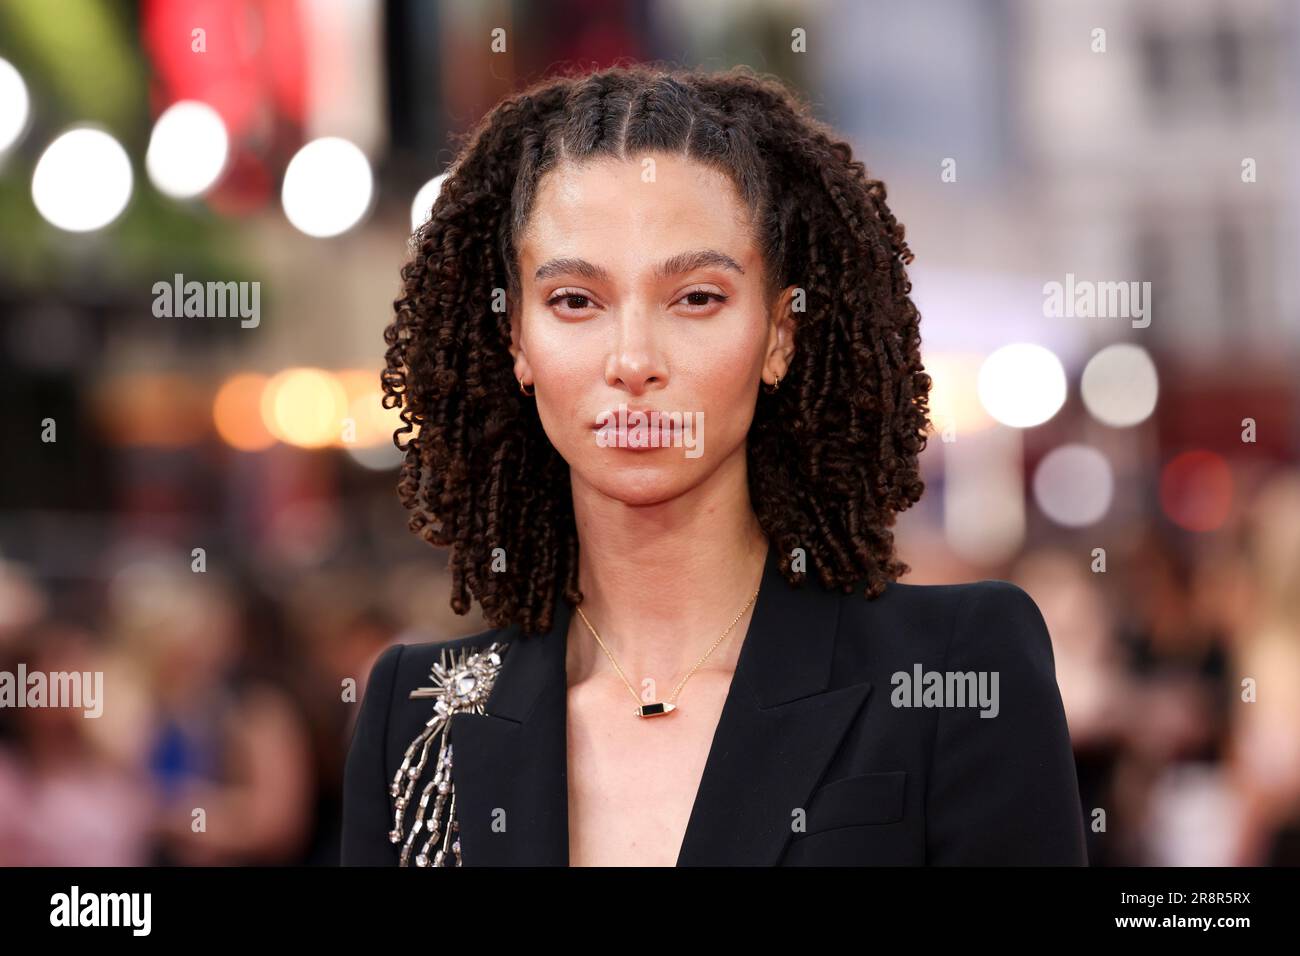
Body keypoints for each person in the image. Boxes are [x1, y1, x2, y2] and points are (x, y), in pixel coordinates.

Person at [342, 62, 1087, 866]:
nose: (633, 360)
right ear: (516, 340)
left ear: (779, 335)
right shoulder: (417, 718)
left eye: (696, 297)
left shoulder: (954, 665)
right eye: (574, 301)